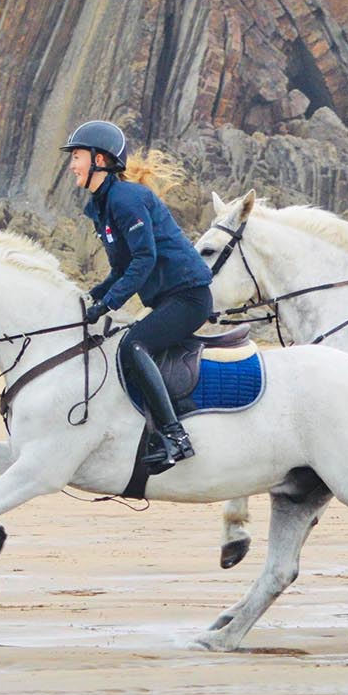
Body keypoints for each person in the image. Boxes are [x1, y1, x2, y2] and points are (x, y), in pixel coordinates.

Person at [62, 120, 213, 470]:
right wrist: (92, 297)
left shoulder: (126, 199)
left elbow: (147, 258)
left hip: (189, 297)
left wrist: (109, 303)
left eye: (77, 157)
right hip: (168, 299)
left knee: (134, 345)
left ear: (100, 160)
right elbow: (121, 267)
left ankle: (175, 436)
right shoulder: (102, 206)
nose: (71, 165)